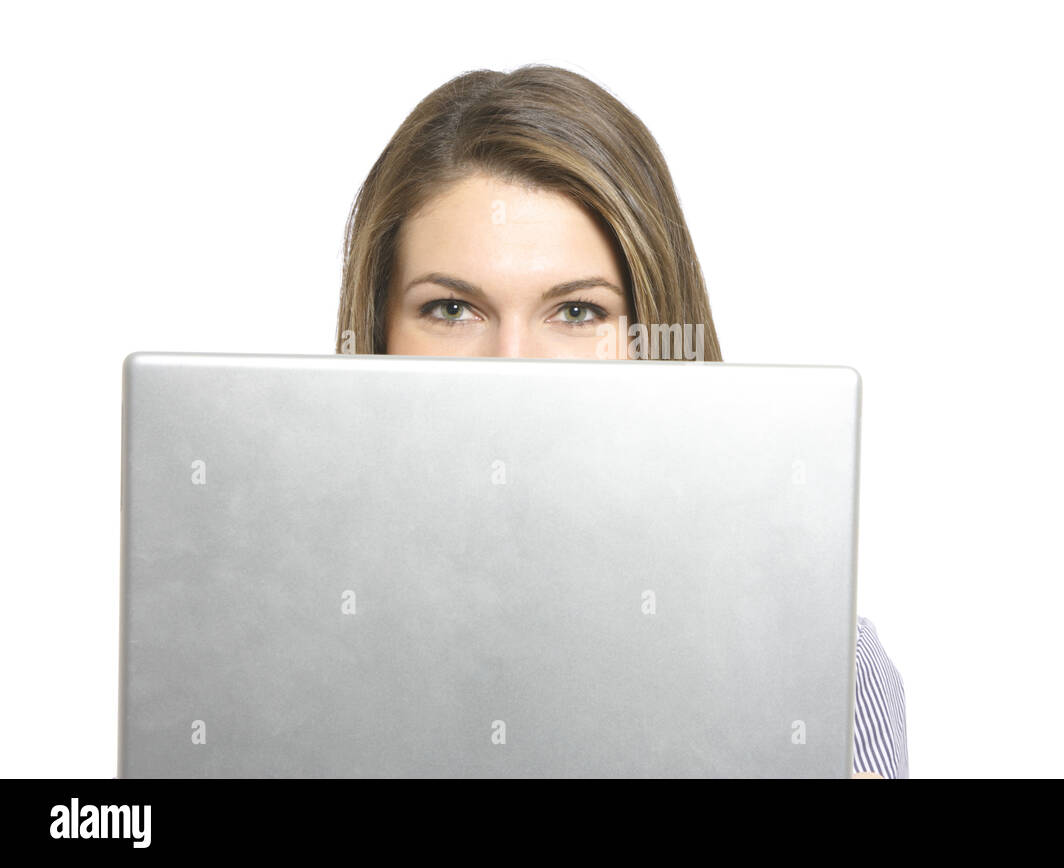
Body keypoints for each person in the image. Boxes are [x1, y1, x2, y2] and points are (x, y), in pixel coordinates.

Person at [334, 64, 908, 778]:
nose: (512, 369)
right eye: (451, 309)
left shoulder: (820, 669)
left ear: (653, 337)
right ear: (378, 331)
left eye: (577, 312)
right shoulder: (253, 643)